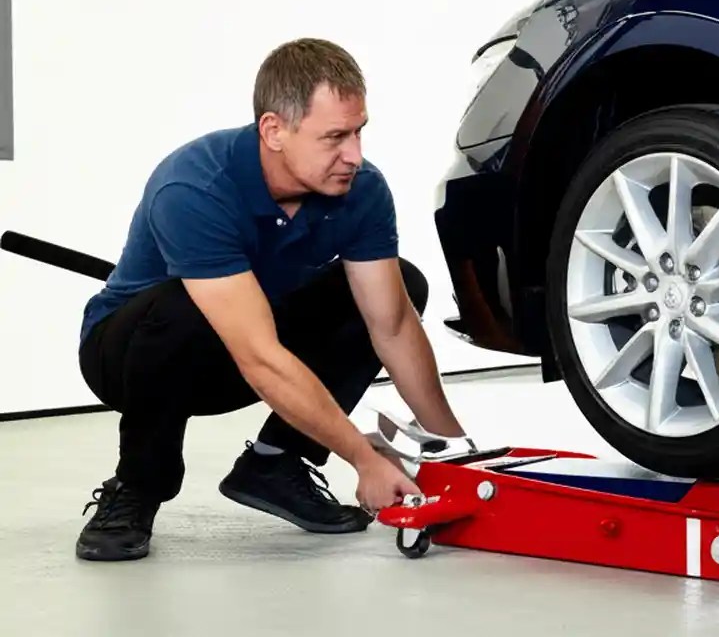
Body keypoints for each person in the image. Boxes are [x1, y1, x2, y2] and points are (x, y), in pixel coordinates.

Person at [74, 37, 470, 561]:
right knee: (180, 308)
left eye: (358, 132)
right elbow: (259, 355)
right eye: (334, 137)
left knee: (403, 284)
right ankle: (137, 487)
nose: (354, 154)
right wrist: (363, 458)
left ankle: (276, 463)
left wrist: (460, 458)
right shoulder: (195, 186)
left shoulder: (361, 190)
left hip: (249, 345)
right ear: (274, 130)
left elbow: (391, 327)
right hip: (131, 356)